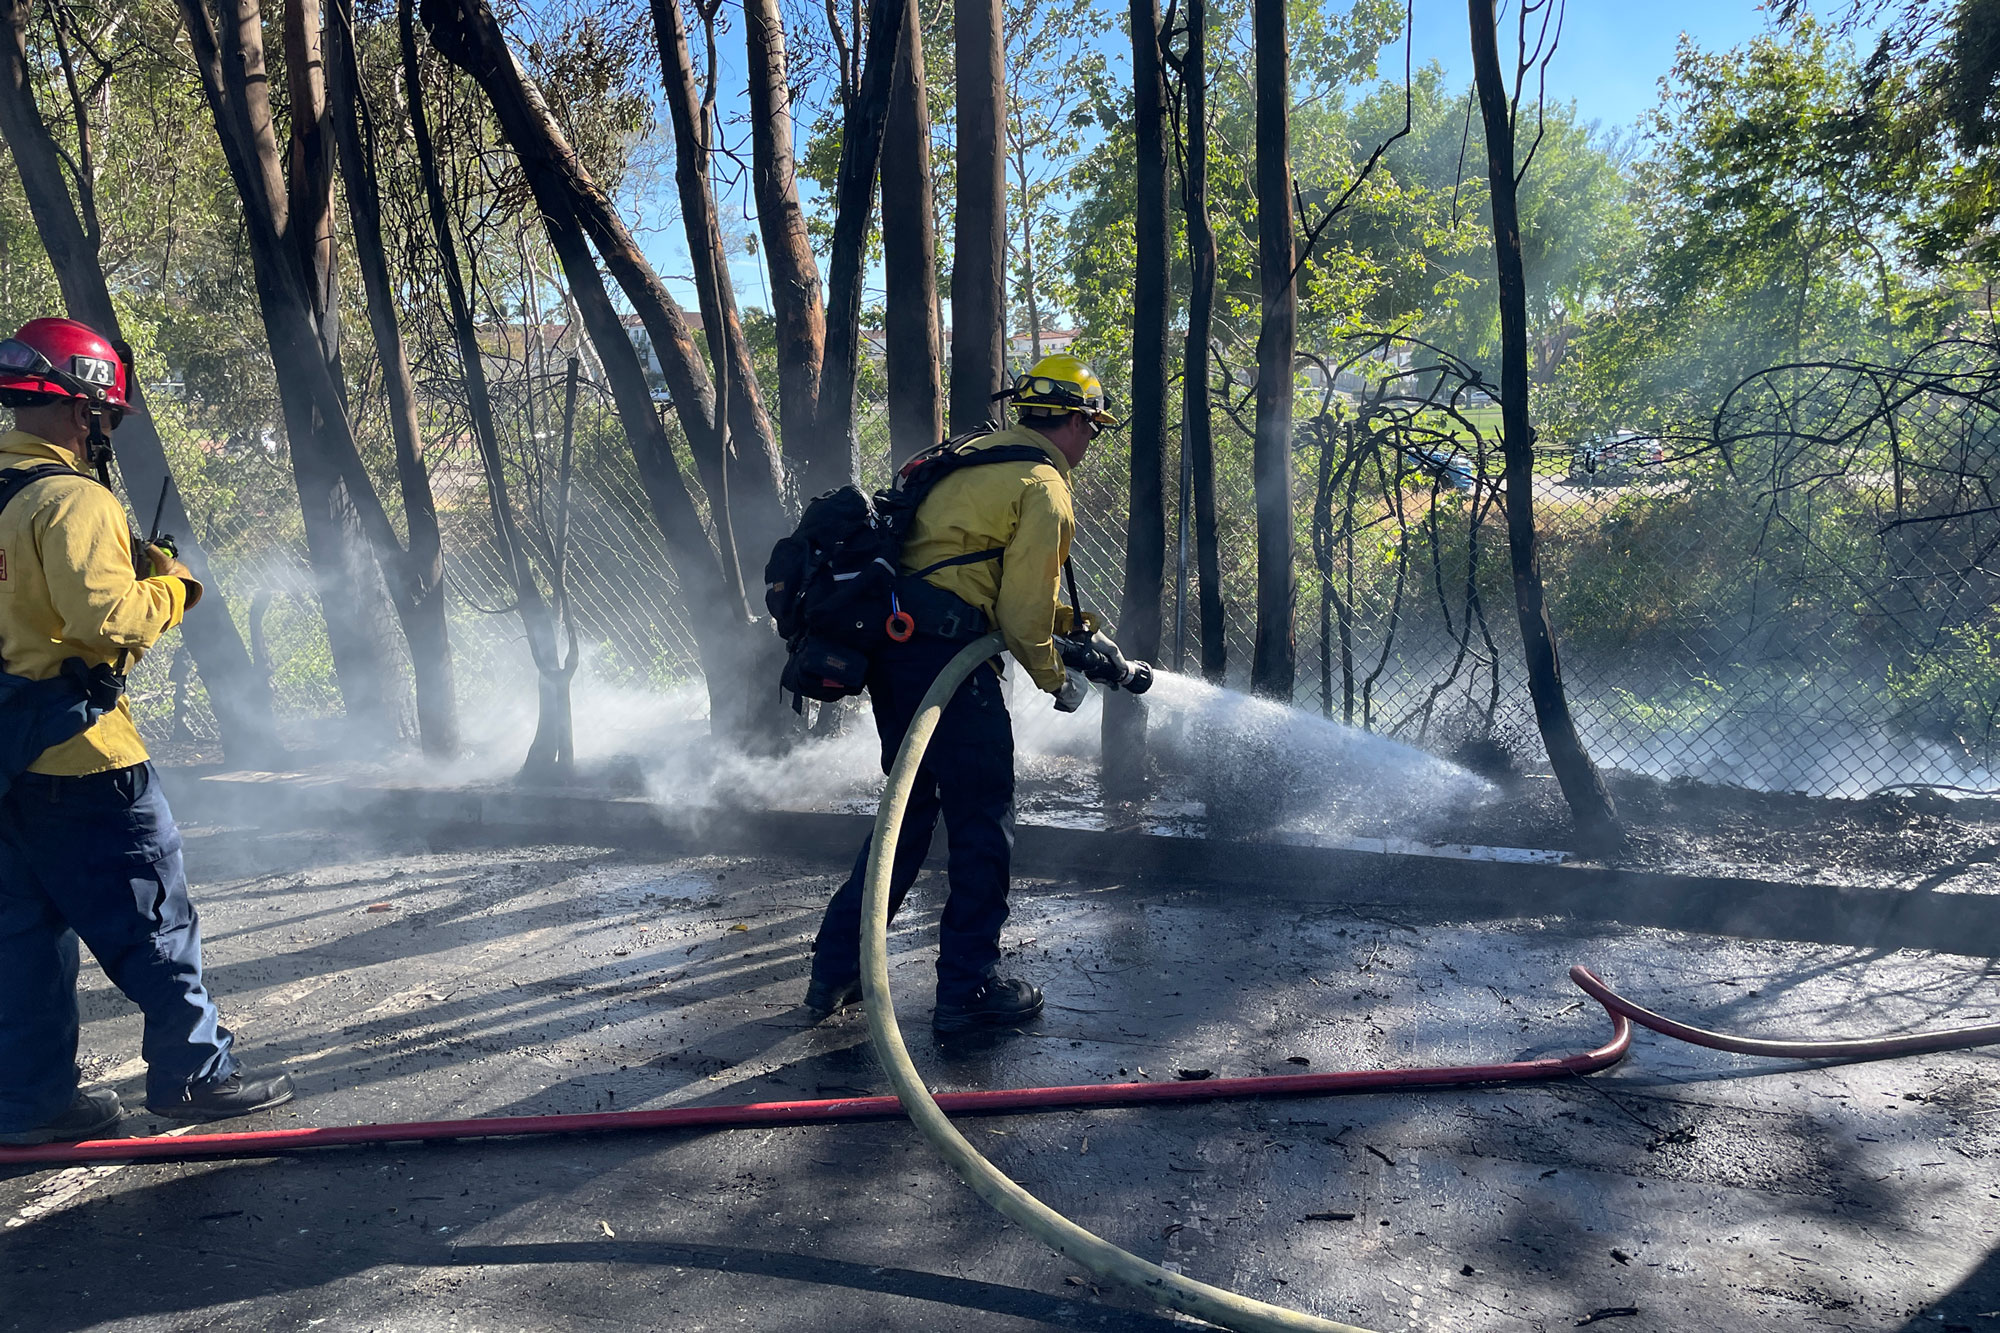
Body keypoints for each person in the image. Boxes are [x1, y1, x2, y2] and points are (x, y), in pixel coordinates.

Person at [0, 317, 294, 1146]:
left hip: (4, 763)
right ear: (83, 408)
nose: (106, 431)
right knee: (151, 915)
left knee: (20, 937)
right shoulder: (74, 498)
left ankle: (32, 1106)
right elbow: (104, 620)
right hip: (87, 759)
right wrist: (172, 587)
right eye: (106, 416)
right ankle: (194, 1076)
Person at [803, 353, 1147, 1033]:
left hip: (898, 653)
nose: (1091, 442)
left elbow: (984, 574)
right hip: (953, 662)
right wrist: (1058, 679)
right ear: (1075, 421)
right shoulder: (1045, 486)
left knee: (907, 810)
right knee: (982, 818)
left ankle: (835, 968)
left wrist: (1082, 634)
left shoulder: (976, 454)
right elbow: (1019, 617)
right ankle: (968, 989)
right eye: (1094, 428)